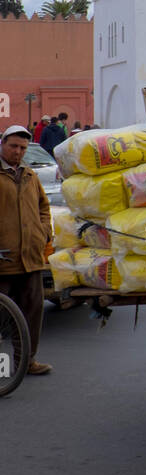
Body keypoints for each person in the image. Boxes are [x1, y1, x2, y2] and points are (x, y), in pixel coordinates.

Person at [0, 124, 54, 375]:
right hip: (4, 260)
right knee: (2, 319)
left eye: (22, 148)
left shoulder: (30, 176)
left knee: (32, 313)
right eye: (13, 146)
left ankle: (27, 361)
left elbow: (44, 207)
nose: (18, 152)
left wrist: (44, 231)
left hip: (30, 259)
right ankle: (1, 368)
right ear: (2, 145)